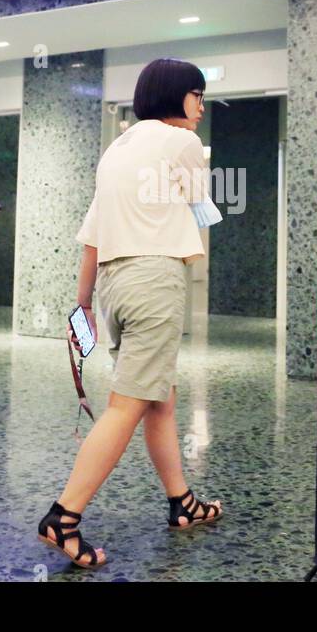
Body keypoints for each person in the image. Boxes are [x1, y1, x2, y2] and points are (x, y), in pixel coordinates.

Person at [37, 58, 224, 570]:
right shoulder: (181, 142)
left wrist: (83, 305)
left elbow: (93, 237)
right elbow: (200, 202)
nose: (201, 107)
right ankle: (64, 516)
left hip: (114, 288)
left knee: (158, 395)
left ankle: (181, 503)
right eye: (197, 96)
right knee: (127, 405)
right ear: (175, 97)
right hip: (153, 281)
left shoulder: (116, 149)